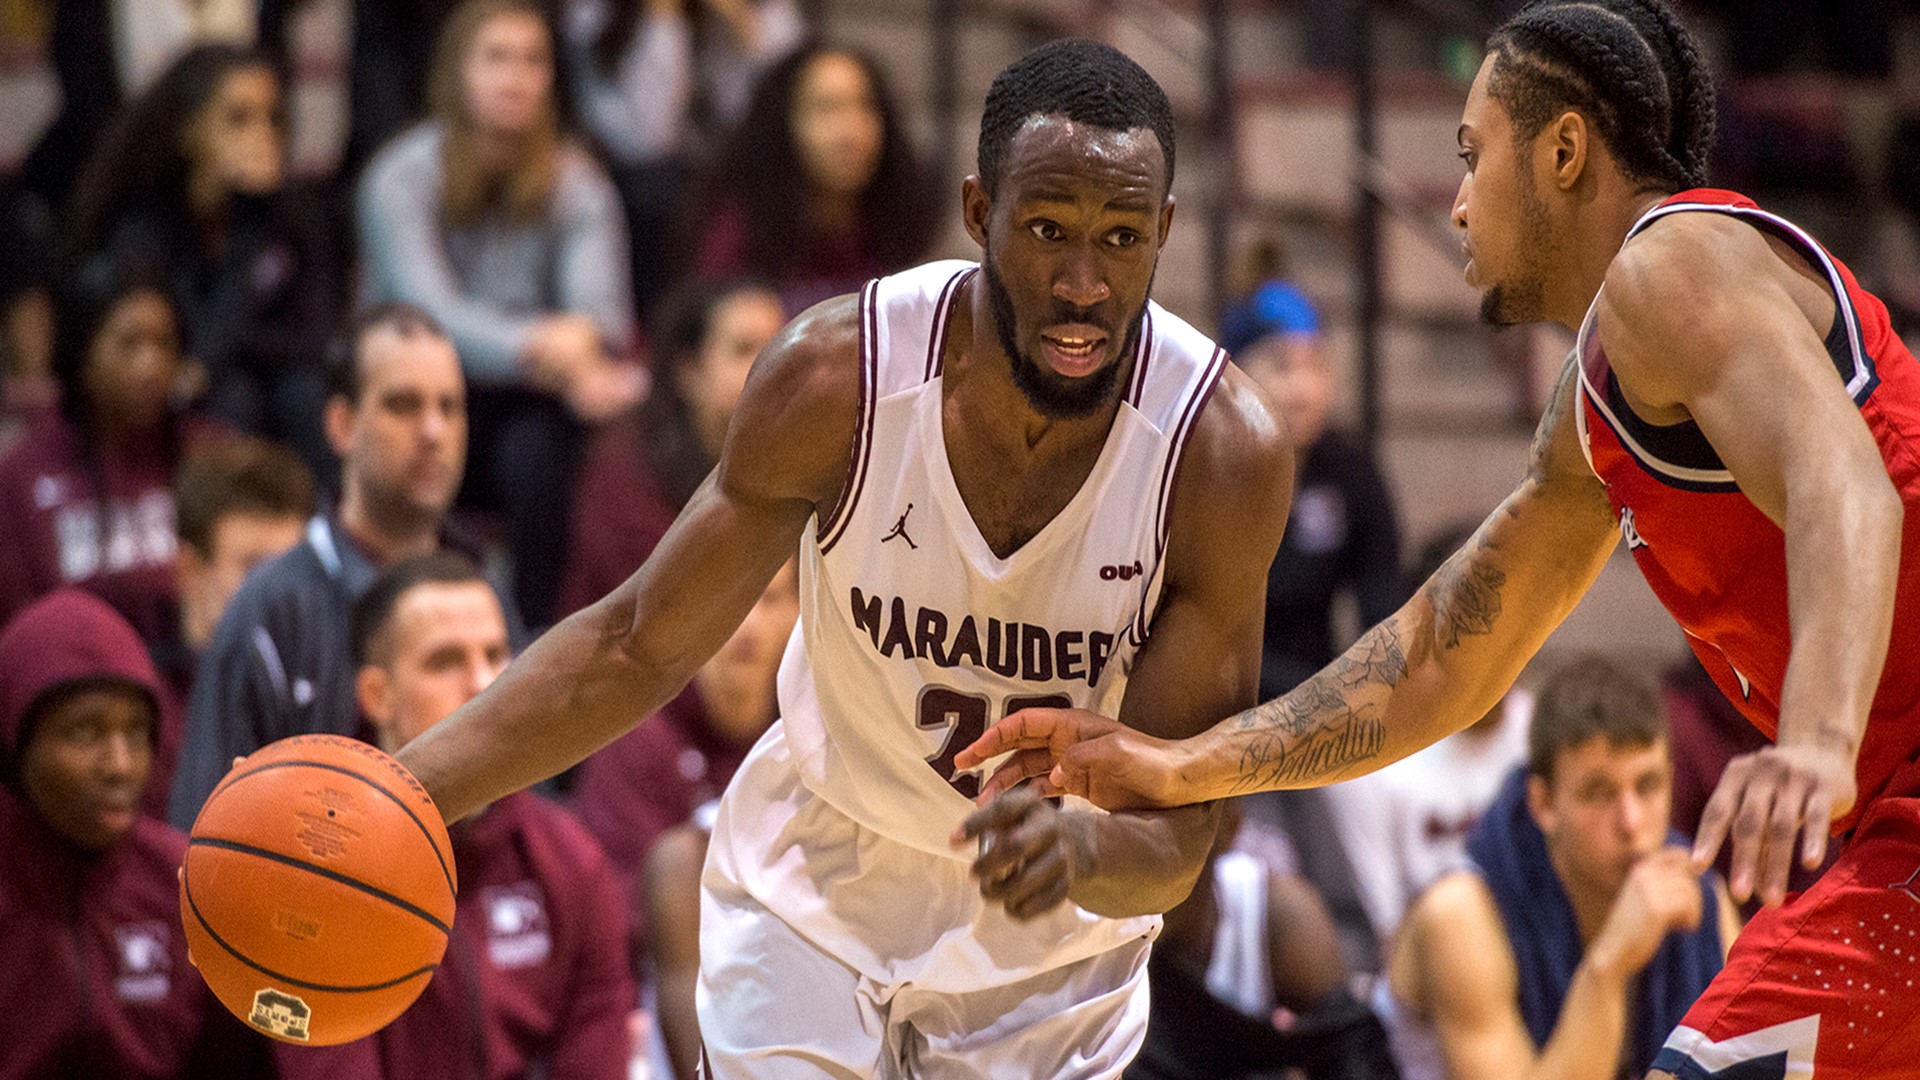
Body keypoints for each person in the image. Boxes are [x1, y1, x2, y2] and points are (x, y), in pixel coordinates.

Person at [958, 2, 1920, 1074]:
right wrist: (1182, 767)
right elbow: (1440, 657)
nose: (1456, 204)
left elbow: (1853, 483)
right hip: (1885, 822)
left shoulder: (1672, 263)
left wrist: (1815, 745)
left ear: (1562, 151)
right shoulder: (1601, 407)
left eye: (1473, 156)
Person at [383, 38, 1292, 1077]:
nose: (1084, 283)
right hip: (818, 885)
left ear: (1166, 232)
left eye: (1122, 238)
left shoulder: (1218, 453)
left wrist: (1085, 846)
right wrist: (402, 793)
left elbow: (1181, 834)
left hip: (1056, 940)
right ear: (979, 212)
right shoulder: (838, 379)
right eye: (1048, 230)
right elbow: (636, 644)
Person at [277, 552, 632, 1080]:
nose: (483, 684)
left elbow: (597, 1056)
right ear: (378, 695)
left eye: (496, 655)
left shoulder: (571, 859)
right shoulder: (314, 872)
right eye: (445, 661)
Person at [357, 0, 640, 626]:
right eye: (496, 58)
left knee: (542, 449)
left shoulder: (579, 183)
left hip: (526, 402)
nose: (516, 77)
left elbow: (600, 320)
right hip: (419, 377)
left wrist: (570, 349)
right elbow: (424, 316)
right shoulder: (398, 176)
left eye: (533, 60)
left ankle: (538, 634)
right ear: (458, 71)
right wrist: (544, 344)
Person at [168, 303, 500, 829]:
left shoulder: (486, 593)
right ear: (342, 425)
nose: (433, 430)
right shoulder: (269, 605)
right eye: (403, 405)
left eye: (450, 407)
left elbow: (531, 810)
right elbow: (204, 831)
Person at [1376, 654, 1736, 1080]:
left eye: (1648, 785)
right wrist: (1608, 966)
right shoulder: (1460, 916)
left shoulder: (1698, 891)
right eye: (1598, 792)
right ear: (1543, 804)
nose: (1631, 822)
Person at [0, 589, 274, 1079]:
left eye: (137, 733)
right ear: (16, 746)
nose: (120, 766)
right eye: (84, 733)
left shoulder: (187, 883)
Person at [67, 44, 344, 482]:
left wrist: (251, 216)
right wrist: (247, 229)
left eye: (272, 118)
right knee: (233, 398)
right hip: (192, 403)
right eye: (239, 118)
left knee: (305, 395)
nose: (261, 135)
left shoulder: (296, 213)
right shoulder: (143, 226)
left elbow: (317, 338)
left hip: (277, 386)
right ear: (188, 131)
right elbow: (184, 354)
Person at [570, 559, 796, 959]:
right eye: (730, 599)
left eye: (768, 597)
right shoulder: (635, 734)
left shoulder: (812, 730)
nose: (749, 622)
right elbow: (619, 918)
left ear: (799, 608)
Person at [1321, 524, 1532, 944]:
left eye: (1513, 616)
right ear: (1427, 635)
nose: (1500, 641)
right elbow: (1386, 935)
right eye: (1477, 623)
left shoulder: (1542, 728)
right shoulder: (1365, 762)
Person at [0, 266, 216, 645]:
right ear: (83, 355)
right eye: (129, 343)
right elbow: (17, 628)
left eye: (164, 344)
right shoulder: (20, 475)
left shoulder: (211, 456)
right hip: (70, 686)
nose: (151, 364)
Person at [1217, 274, 1405, 701]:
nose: (1304, 390)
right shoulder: (1203, 475)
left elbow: (1384, 610)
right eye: (1282, 366)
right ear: (1235, 373)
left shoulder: (1349, 470)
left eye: (1315, 365)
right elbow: (1204, 642)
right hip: (1220, 706)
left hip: (1319, 703)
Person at [559, 278, 785, 615]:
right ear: (690, 370)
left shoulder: (794, 458)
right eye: (743, 349)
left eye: (781, 347)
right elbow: (655, 614)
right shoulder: (624, 467)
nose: (772, 366)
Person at [562, 0, 805, 311]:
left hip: (706, 175)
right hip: (624, 175)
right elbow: (648, 133)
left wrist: (741, 27)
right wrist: (663, 17)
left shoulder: (751, 11)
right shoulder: (596, 13)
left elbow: (781, 102)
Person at [691, 42, 941, 314]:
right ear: (784, 124)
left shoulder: (900, 227)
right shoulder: (737, 230)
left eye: (866, 106)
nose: (851, 131)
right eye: (827, 108)